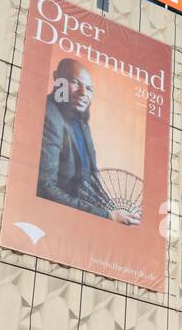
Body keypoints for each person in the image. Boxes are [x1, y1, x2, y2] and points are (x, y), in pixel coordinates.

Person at [35, 58, 139, 224]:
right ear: (57, 78)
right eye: (76, 82)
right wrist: (106, 215)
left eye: (89, 89)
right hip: (52, 220)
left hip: (80, 219)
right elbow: (45, 187)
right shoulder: (50, 116)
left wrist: (113, 212)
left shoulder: (80, 122)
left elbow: (90, 179)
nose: (84, 93)